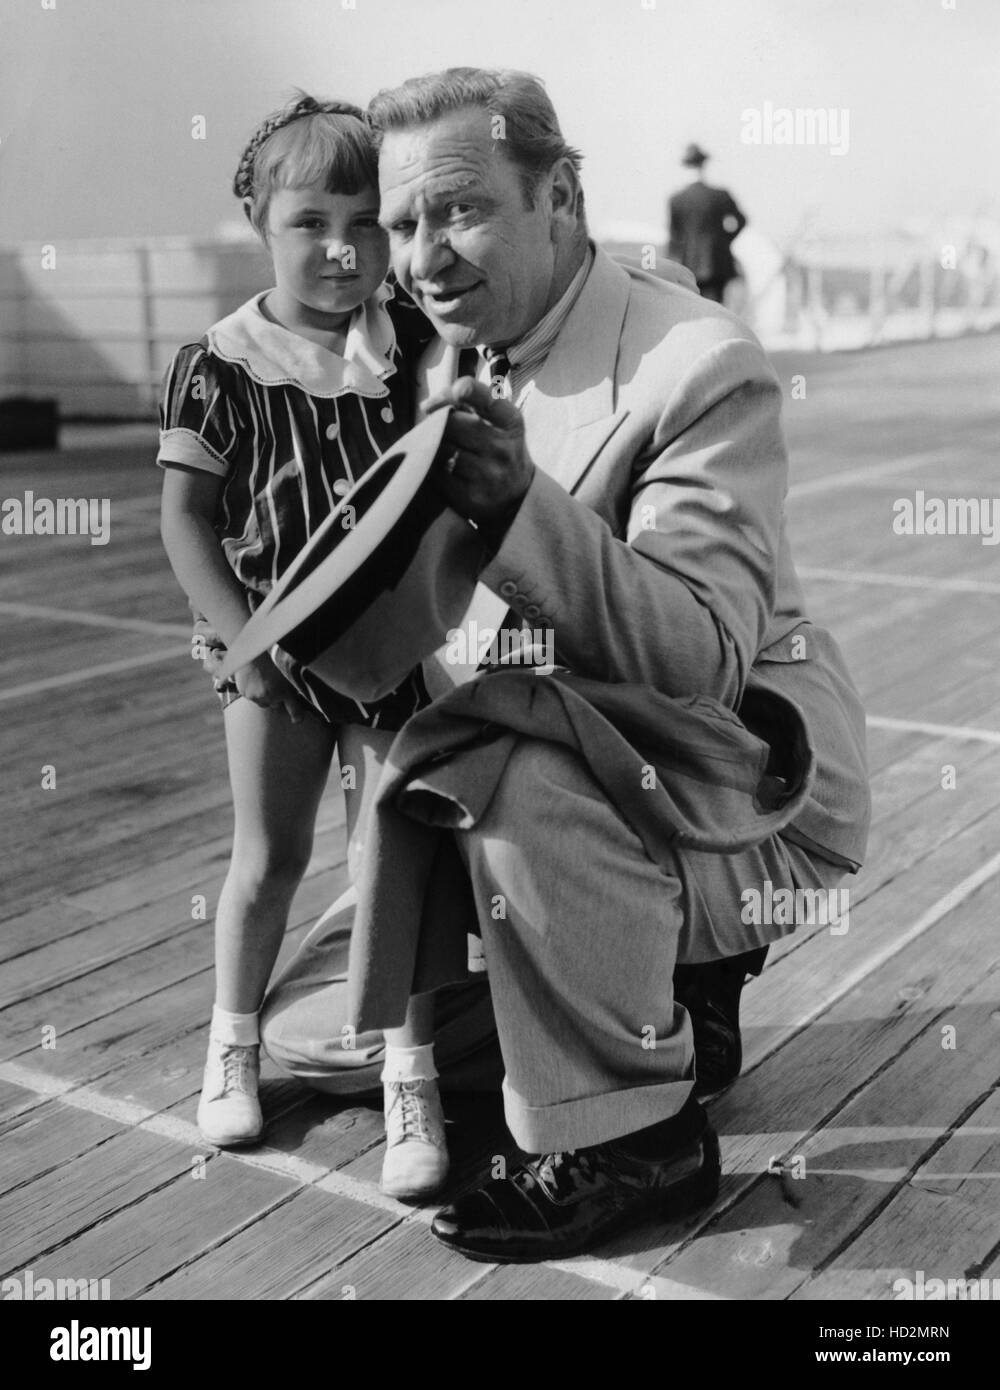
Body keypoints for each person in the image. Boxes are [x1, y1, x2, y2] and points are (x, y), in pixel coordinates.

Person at [259, 68, 870, 1263]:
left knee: (511, 771)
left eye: (458, 210)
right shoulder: (454, 356)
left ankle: (639, 1139)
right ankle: (675, 1005)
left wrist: (520, 508)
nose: (422, 256)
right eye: (399, 224)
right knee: (318, 1035)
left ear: (561, 195)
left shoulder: (698, 365)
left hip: (737, 787)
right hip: (575, 755)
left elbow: (694, 656)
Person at [157, 93, 455, 1202]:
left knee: (397, 864)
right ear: (256, 220)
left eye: (367, 220)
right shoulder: (220, 363)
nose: (343, 247)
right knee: (269, 858)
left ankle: (409, 1076)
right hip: (274, 663)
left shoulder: (413, 342)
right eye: (310, 221)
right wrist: (244, 642)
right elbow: (186, 520)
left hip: (392, 651)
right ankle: (233, 1041)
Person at [667, 142, 747, 303]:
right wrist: (724, 240)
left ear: (685, 166)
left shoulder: (677, 200)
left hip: (689, 264)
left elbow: (674, 238)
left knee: (694, 308)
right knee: (717, 307)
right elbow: (742, 220)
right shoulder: (720, 195)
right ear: (703, 165)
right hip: (718, 262)